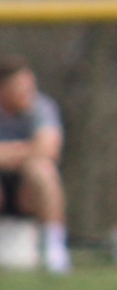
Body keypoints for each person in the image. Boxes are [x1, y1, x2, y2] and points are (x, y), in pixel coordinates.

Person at [0, 55, 69, 275]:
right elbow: (37, 147)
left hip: (26, 190)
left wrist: (8, 153)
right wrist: (28, 149)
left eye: (30, 85)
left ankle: (54, 247)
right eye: (20, 86)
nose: (28, 91)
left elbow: (48, 149)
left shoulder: (42, 107)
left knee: (42, 170)